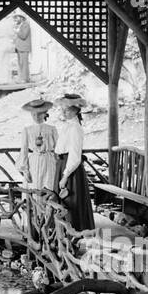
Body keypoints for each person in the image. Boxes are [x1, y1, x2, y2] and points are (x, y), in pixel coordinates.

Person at [55, 93, 95, 232]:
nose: (64, 112)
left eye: (67, 109)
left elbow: (75, 156)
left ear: (76, 110)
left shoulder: (75, 128)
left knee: (71, 200)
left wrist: (65, 176)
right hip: (62, 164)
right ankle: (65, 233)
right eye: (63, 109)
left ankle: (75, 233)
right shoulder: (68, 126)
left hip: (70, 168)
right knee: (64, 201)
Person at [18, 97, 58, 191]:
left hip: (49, 161)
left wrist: (58, 165)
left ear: (45, 113)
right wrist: (25, 170)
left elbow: (57, 148)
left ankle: (48, 205)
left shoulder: (51, 129)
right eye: (34, 114)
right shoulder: (27, 130)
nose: (36, 117)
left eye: (39, 114)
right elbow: (24, 150)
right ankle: (35, 205)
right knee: (34, 186)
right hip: (34, 162)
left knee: (49, 185)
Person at [11, 12, 32, 83]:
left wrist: (17, 31)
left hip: (24, 47)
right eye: (15, 17)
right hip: (19, 47)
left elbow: (23, 36)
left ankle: (25, 79)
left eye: (17, 17)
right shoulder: (19, 25)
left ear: (21, 18)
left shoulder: (26, 25)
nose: (16, 19)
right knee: (20, 64)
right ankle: (22, 78)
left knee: (24, 64)